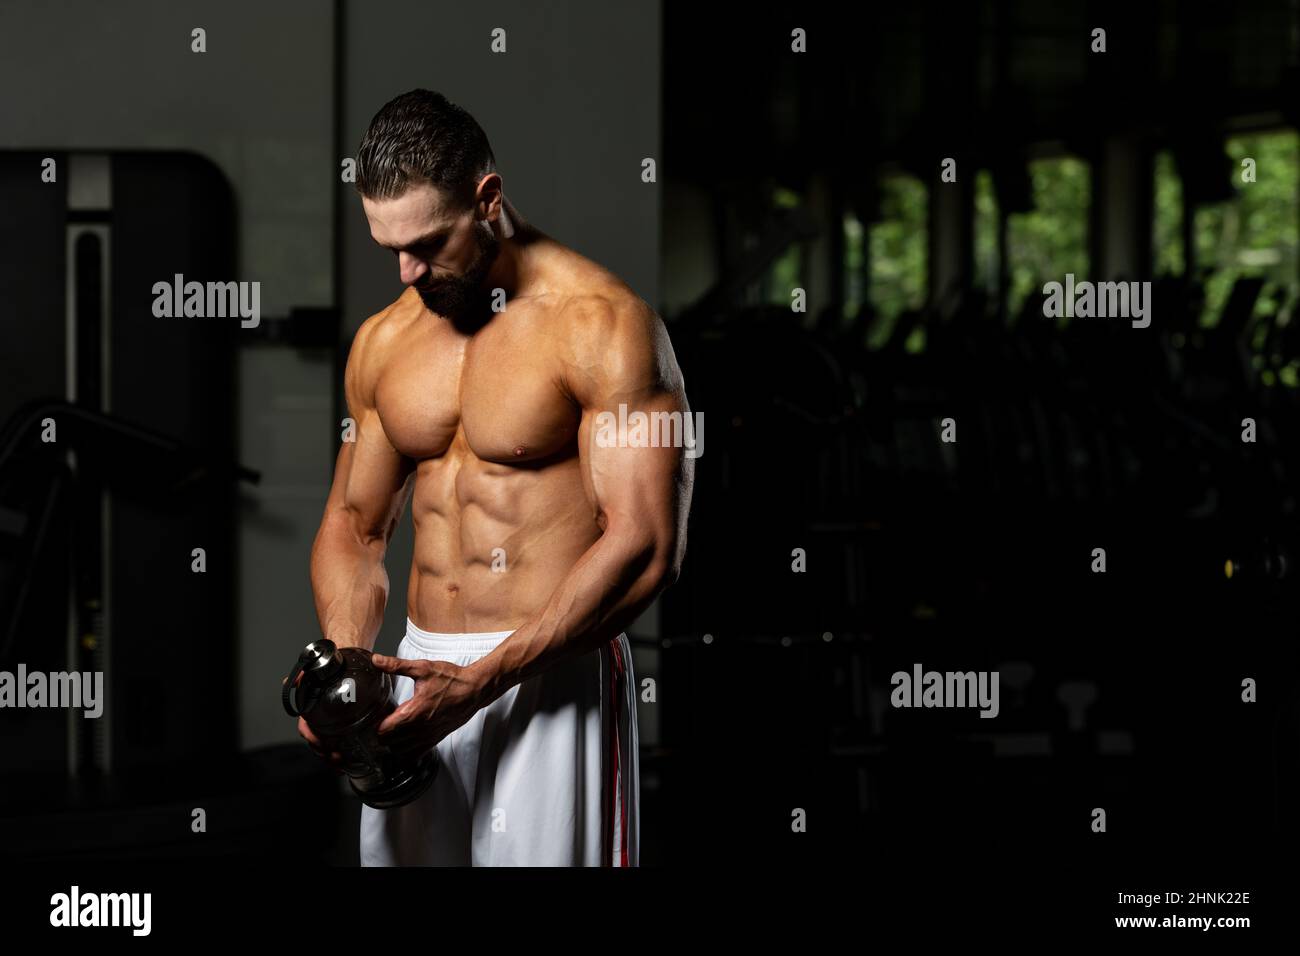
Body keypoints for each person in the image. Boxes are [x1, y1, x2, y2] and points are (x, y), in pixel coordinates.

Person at [300, 89, 694, 866]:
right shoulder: (384, 343)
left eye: (427, 243)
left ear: (487, 198)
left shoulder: (606, 326)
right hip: (416, 678)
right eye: (390, 250)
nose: (408, 272)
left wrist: (481, 681)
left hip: (551, 680)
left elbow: (647, 546)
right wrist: (351, 671)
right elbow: (355, 521)